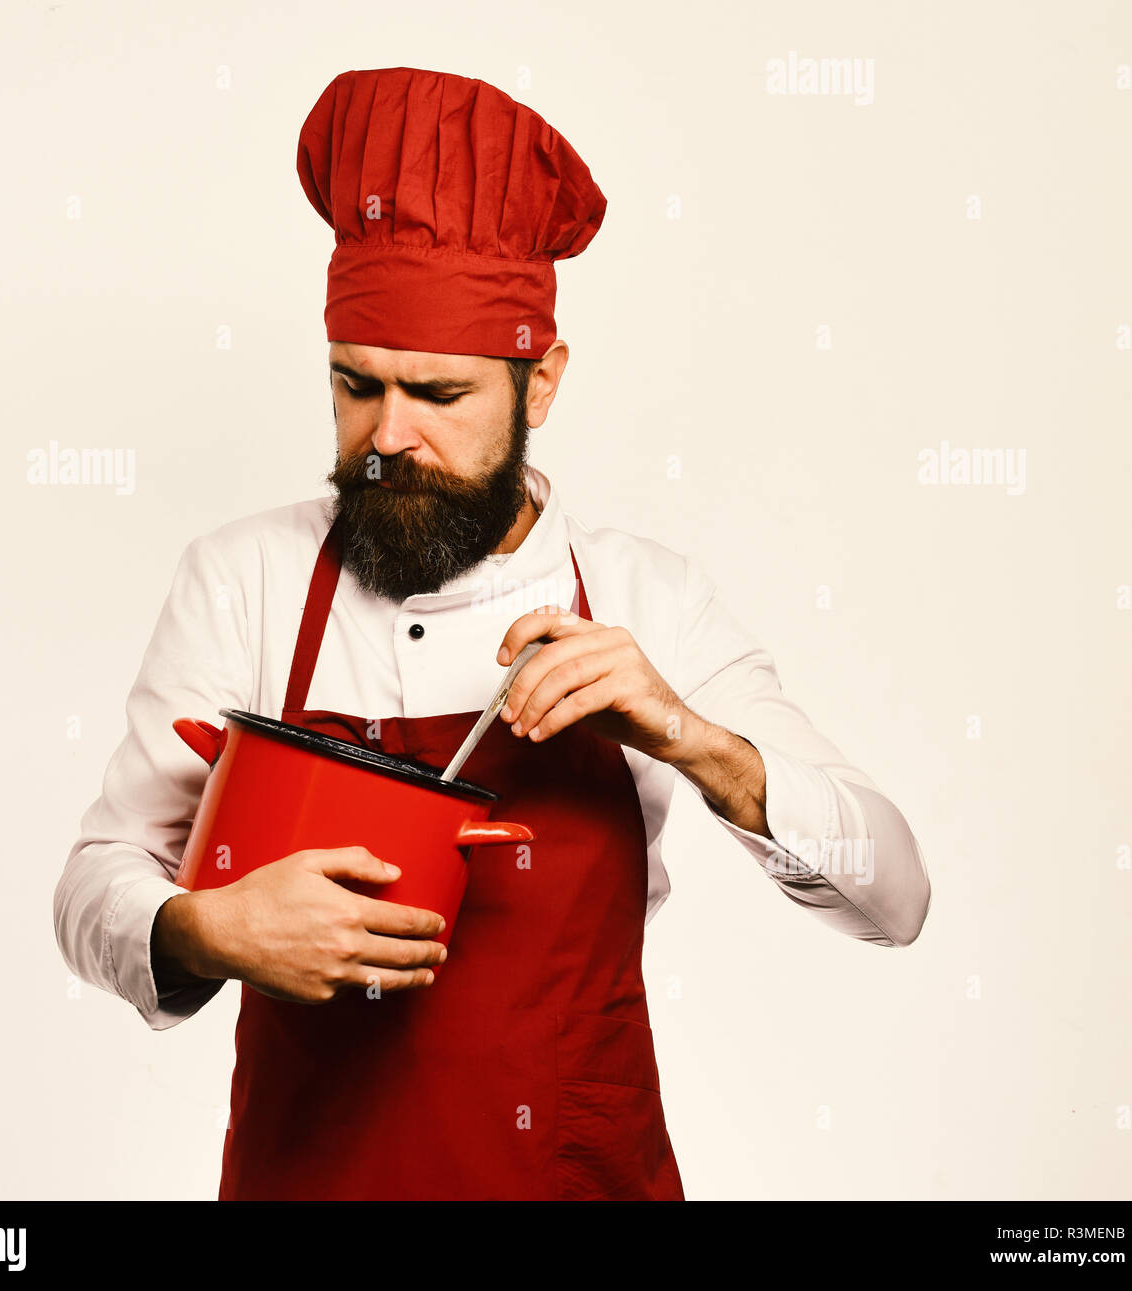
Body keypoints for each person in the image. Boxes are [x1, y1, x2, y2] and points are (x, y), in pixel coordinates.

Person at [53, 65, 931, 1201]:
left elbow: (893, 896)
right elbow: (94, 882)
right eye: (357, 386)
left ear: (540, 384)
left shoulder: (645, 597)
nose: (388, 438)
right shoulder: (244, 578)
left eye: (439, 395)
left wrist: (690, 737)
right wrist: (205, 929)